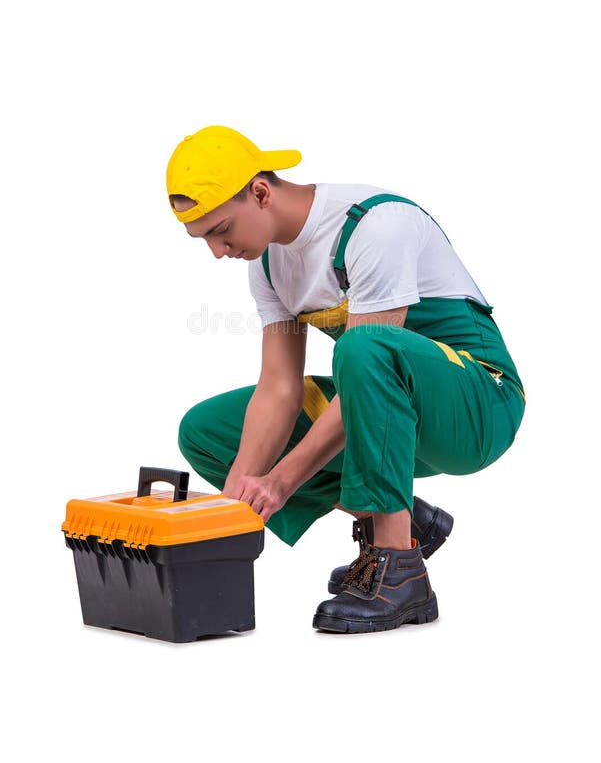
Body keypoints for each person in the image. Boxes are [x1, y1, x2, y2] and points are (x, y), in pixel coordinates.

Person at [167, 124, 526, 634]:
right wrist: (227, 519)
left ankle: (399, 568)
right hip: (389, 415)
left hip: (477, 404)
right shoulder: (268, 265)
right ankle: (401, 519)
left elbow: (371, 357)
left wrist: (282, 479)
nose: (217, 251)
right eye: (203, 239)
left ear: (261, 192)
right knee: (208, 429)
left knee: (365, 346)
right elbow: (280, 389)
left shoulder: (374, 226)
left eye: (221, 230)